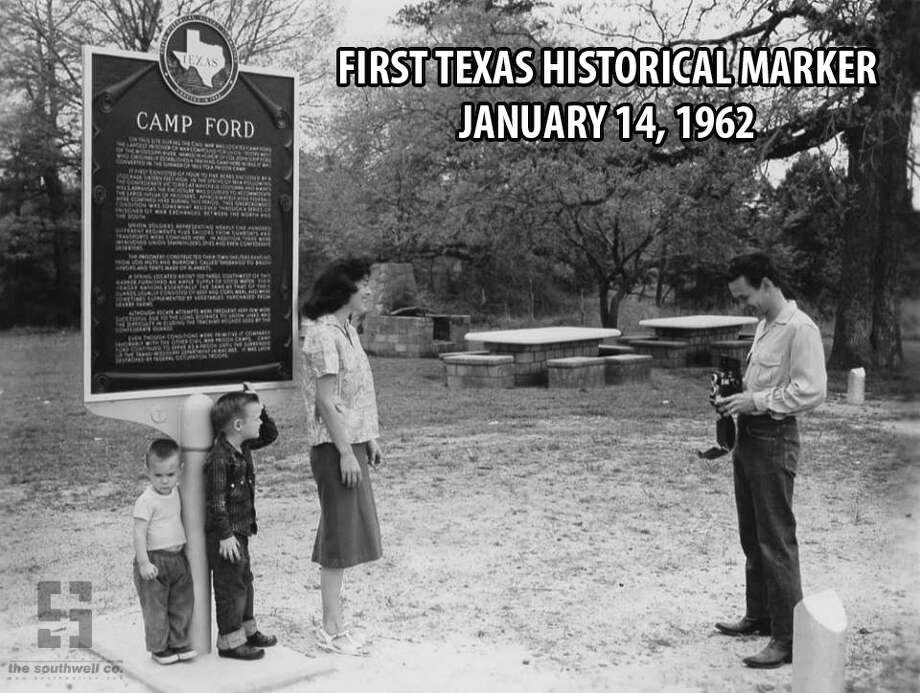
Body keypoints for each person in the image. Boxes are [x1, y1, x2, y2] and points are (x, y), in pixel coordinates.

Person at [714, 252, 827, 668]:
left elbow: (812, 391)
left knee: (776, 539)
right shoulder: (764, 326)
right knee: (752, 534)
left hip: (776, 438)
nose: (745, 305)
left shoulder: (801, 329)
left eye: (746, 296)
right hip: (749, 439)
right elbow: (760, 382)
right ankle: (760, 615)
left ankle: (788, 637)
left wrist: (755, 400)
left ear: (766, 283)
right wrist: (731, 394)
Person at [301, 258, 383, 657]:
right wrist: (346, 453)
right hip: (334, 450)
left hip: (350, 446)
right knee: (338, 538)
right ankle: (331, 628)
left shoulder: (347, 330)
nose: (368, 291)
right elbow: (327, 402)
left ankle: (337, 622)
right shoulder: (321, 335)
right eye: (362, 285)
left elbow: (357, 395)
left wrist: (369, 440)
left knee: (345, 534)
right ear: (343, 290)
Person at [204, 385, 279, 660]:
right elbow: (215, 502)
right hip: (226, 537)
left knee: (245, 581)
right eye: (256, 417)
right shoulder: (219, 458)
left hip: (241, 531)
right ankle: (230, 642)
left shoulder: (243, 444)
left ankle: (248, 630)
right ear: (238, 424)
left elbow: (271, 433)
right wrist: (224, 535)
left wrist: (259, 403)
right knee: (230, 586)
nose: (261, 422)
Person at [133, 438, 196, 665]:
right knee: (156, 608)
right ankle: (159, 649)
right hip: (154, 559)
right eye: (158, 475)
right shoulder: (146, 500)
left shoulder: (177, 492)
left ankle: (179, 643)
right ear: (148, 472)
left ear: (179, 472)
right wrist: (143, 563)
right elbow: (139, 532)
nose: (164, 480)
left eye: (170, 475)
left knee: (181, 603)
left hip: (177, 559)